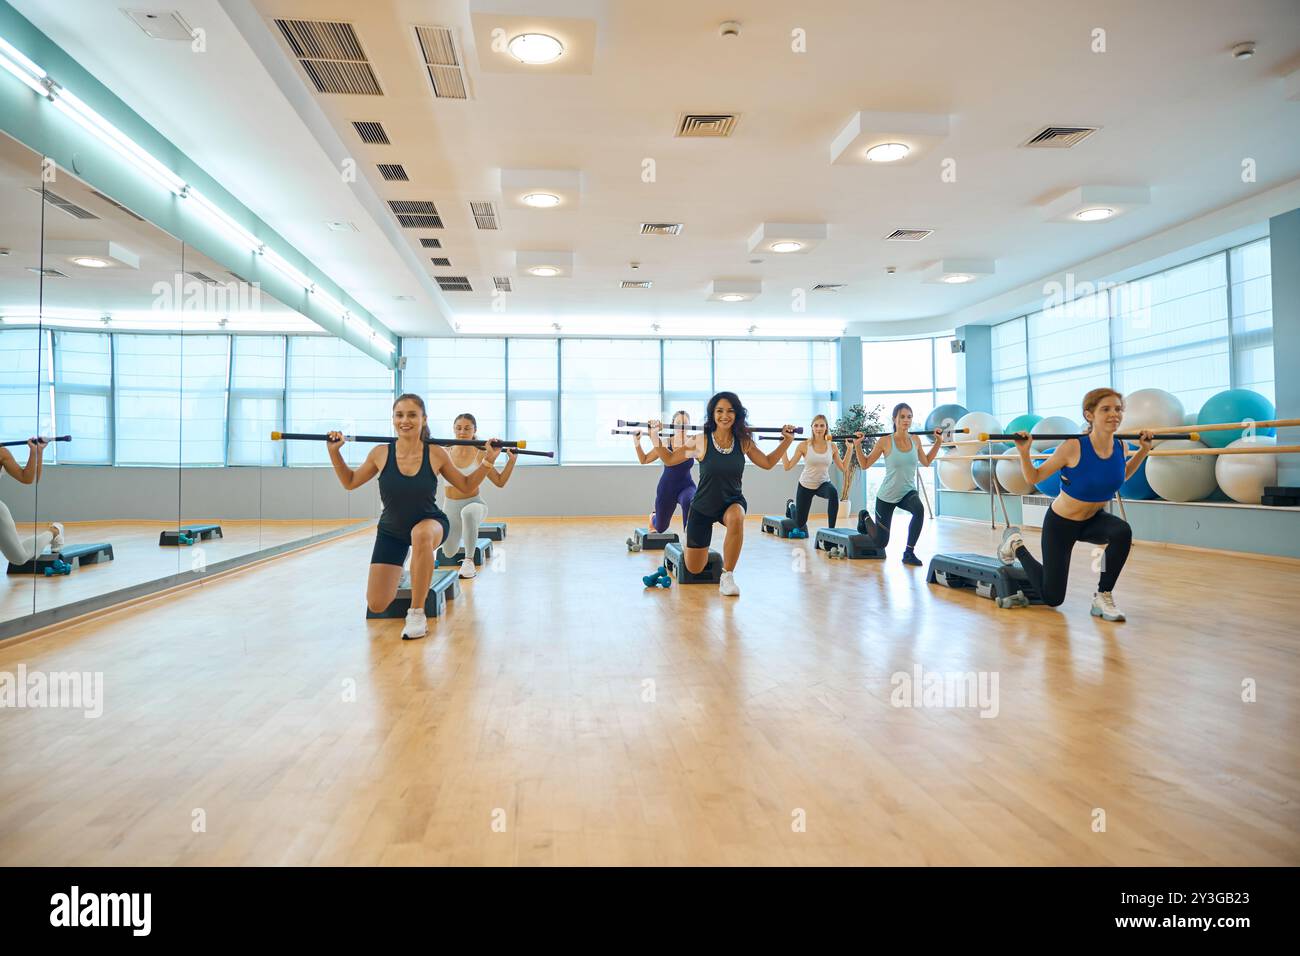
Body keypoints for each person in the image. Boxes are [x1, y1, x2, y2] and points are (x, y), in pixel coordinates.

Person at [327, 393, 500, 639]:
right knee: (377, 603)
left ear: (423, 419)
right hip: (392, 530)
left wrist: (488, 460)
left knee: (420, 534)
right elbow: (350, 482)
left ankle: (417, 614)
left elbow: (464, 484)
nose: (405, 420)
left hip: (431, 522)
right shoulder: (380, 453)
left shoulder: (437, 453)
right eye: (399, 415)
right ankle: (405, 568)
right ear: (393, 419)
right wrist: (335, 453)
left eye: (412, 415)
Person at [996, 387, 1153, 620]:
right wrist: (1024, 452)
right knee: (1053, 598)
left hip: (1092, 521)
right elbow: (1034, 478)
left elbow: (1123, 474)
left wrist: (1144, 450)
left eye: (1118, 409)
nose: (1114, 414)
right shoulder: (1073, 446)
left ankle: (1103, 594)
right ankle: (1016, 544)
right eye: (1106, 409)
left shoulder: (1121, 446)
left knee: (1121, 532)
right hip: (1061, 524)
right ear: (1089, 415)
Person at [667, 392, 794, 596]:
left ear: (737, 415)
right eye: (719, 411)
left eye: (730, 411)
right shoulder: (700, 441)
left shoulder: (743, 442)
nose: (724, 415)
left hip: (731, 502)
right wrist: (655, 437)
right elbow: (671, 460)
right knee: (694, 568)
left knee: (737, 516)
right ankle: (689, 536)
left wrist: (786, 442)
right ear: (712, 414)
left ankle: (727, 576)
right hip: (702, 506)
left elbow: (768, 463)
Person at [851, 403, 943, 565]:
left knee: (919, 510)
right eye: (902, 417)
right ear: (894, 419)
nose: (906, 420)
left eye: (909, 417)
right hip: (887, 496)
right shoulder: (885, 441)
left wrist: (938, 442)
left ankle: (909, 552)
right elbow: (865, 464)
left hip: (907, 492)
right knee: (881, 542)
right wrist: (857, 446)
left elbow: (927, 461)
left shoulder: (915, 440)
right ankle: (864, 516)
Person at [440, 413, 516, 578]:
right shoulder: (444, 452)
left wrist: (511, 461)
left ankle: (469, 561)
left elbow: (500, 481)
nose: (462, 432)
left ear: (475, 430)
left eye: (467, 428)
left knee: (468, 513)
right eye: (458, 428)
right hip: (450, 506)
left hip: (475, 504)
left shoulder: (481, 453)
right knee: (448, 552)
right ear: (453, 429)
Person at [0, 437, 64, 567]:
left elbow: (29, 478)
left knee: (19, 557)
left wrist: (36, 453)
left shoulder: (2, 453)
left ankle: (54, 532)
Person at [781, 414, 847, 538]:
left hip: (823, 483)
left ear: (826, 427)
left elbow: (843, 467)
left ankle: (831, 531)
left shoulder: (832, 446)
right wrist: (783, 447)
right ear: (812, 427)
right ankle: (791, 505)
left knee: (833, 493)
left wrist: (850, 449)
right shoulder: (804, 445)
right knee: (800, 522)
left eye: (822, 425)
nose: (819, 428)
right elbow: (787, 466)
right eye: (816, 425)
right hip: (806, 485)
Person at [633, 411, 696, 534]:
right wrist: (637, 442)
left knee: (691, 502)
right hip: (667, 488)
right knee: (660, 528)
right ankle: (653, 517)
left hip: (686, 486)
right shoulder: (666, 443)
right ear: (672, 425)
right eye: (678, 423)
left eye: (685, 424)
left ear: (689, 426)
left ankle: (690, 540)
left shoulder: (693, 443)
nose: (681, 427)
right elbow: (644, 460)